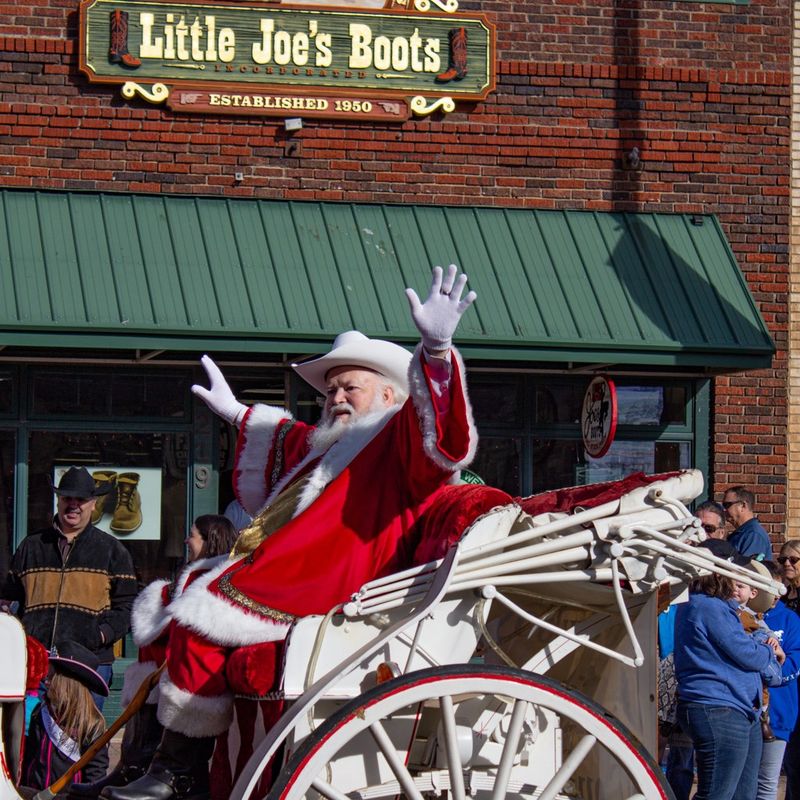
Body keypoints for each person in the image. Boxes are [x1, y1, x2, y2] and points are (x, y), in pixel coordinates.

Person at [100, 264, 479, 800]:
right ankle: (152, 760)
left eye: (351, 386)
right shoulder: (331, 445)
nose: (336, 397)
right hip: (295, 576)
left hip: (342, 580)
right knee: (168, 602)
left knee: (204, 606)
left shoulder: (397, 439)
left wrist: (437, 356)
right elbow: (294, 437)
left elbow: (441, 442)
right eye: (330, 390)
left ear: (394, 396)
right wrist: (235, 413)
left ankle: (179, 770)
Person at [69, 515, 239, 799]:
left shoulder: (215, 580)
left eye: (192, 535)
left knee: (192, 655)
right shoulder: (191, 580)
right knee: (151, 655)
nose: (186, 540)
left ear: (210, 541)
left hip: (213, 665)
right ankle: (135, 766)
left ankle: (176, 773)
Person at [0, 466, 137, 710]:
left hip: (88, 664)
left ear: (93, 504)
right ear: (58, 501)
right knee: (35, 741)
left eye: (81, 499)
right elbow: (9, 600)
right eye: (67, 498)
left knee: (82, 741)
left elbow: (127, 607)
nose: (73, 505)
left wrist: (101, 634)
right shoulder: (31, 546)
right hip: (37, 664)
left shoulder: (112, 550)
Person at [674, 556, 783, 800]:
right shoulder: (708, 606)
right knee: (717, 794)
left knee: (742, 794)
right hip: (719, 707)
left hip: (740, 708)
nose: (736, 581)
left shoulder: (719, 608)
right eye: (733, 573)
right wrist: (767, 650)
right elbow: (746, 654)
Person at [21, 640, 110, 791]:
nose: (46, 681)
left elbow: (95, 778)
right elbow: (29, 761)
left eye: (51, 676)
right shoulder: (40, 711)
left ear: (67, 683)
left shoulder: (92, 726)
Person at [755, 561, 800, 800]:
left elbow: (795, 660)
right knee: (744, 781)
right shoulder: (742, 615)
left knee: (767, 784)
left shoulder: (789, 619)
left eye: (777, 589)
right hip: (747, 710)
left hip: (778, 713)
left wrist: (771, 673)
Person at [778, 540, 800, 800]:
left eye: (793, 560)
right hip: (784, 682)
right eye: (783, 559)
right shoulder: (777, 595)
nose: (786, 564)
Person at [723, 486, 772, 560]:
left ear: (743, 505)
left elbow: (747, 569)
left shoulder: (753, 535)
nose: (724, 510)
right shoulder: (743, 533)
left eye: (727, 505)